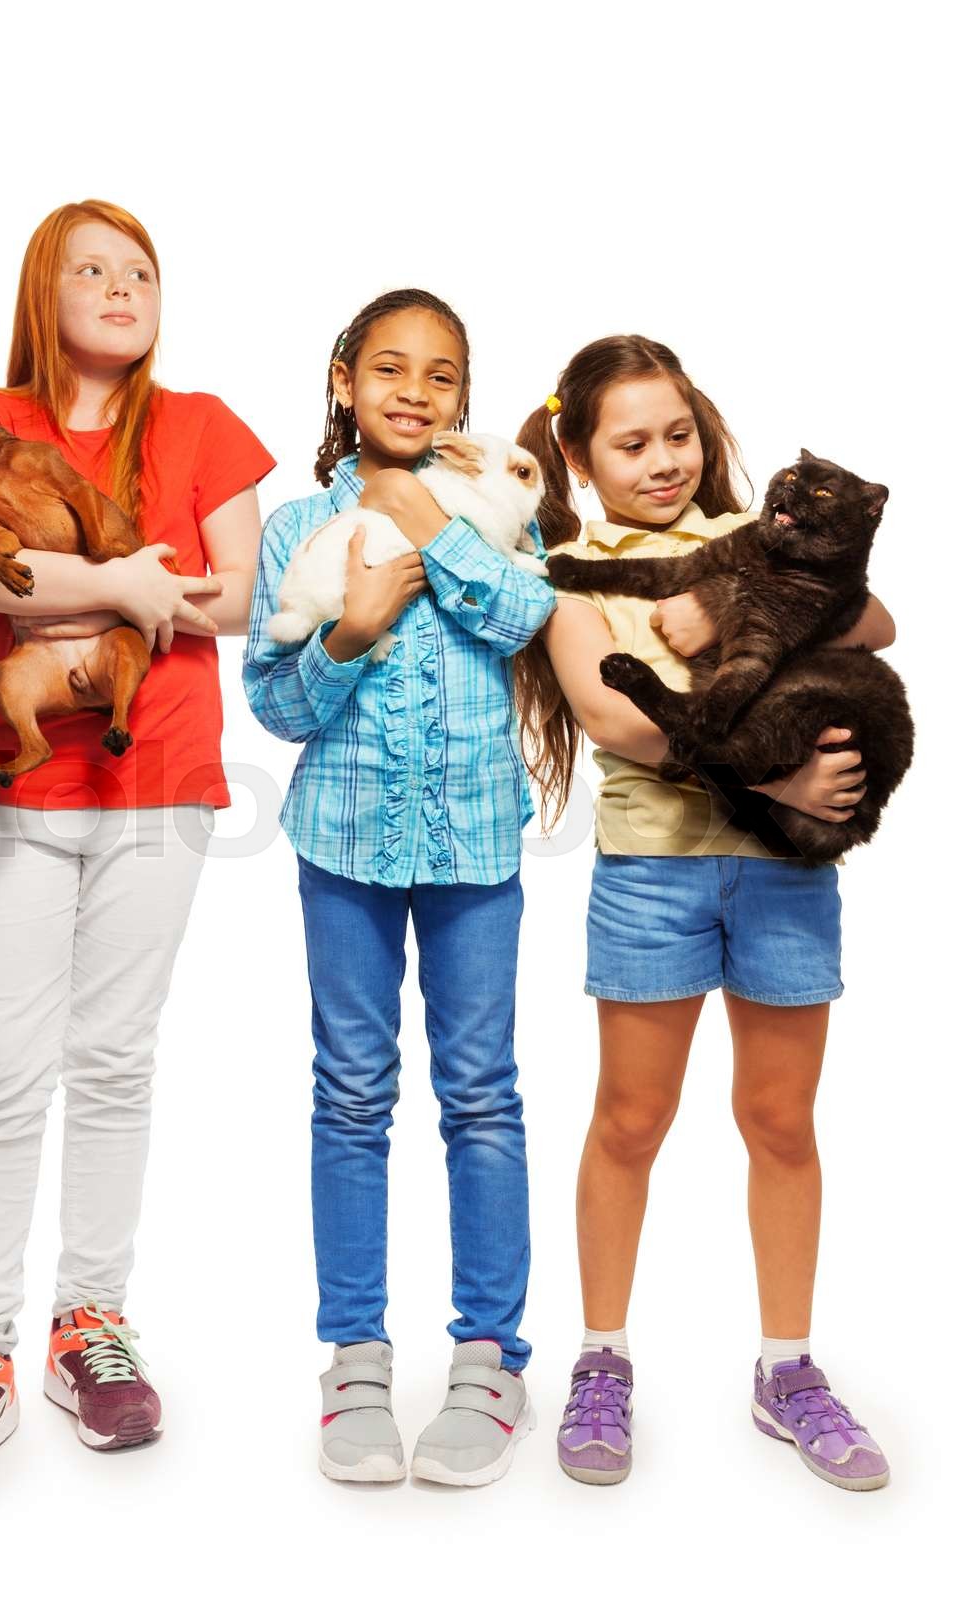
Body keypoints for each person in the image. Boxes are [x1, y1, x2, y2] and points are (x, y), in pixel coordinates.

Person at [0, 199, 275, 1497]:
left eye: (141, 270)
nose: (122, 286)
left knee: (113, 1059)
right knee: (0, 1066)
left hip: (154, 778)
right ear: (40, 296)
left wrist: (116, 594)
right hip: (8, 787)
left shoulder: (203, 426)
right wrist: (121, 585)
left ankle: (90, 1324)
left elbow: (241, 594)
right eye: (91, 270)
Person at [517, 334, 895, 1492]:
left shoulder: (749, 547)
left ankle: (788, 1368)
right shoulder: (574, 575)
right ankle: (602, 1358)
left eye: (678, 433)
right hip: (653, 875)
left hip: (786, 875)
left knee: (782, 1122)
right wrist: (776, 777)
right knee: (630, 1120)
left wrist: (735, 616)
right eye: (631, 444)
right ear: (580, 456)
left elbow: (874, 621)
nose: (663, 460)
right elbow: (619, 722)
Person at [243, 289, 554, 1486]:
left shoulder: (491, 506)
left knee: (482, 1094)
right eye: (389, 368)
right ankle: (357, 1362)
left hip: (477, 847)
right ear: (343, 381)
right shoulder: (295, 525)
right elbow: (272, 704)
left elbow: (526, 615)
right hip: (344, 847)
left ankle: (487, 1356)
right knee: (351, 1094)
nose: (415, 391)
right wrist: (348, 632)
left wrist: (430, 522)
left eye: (440, 375)